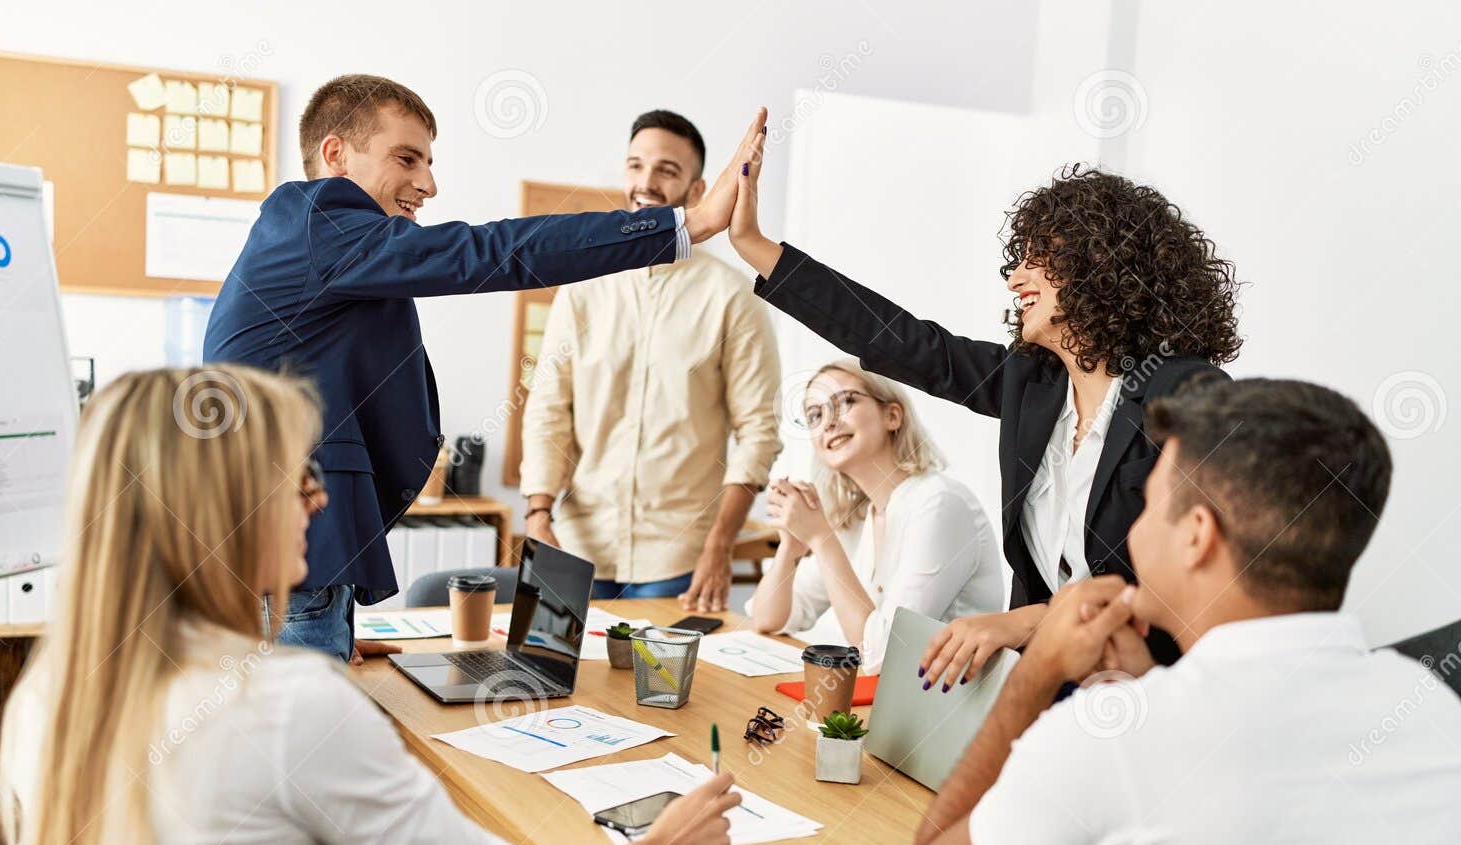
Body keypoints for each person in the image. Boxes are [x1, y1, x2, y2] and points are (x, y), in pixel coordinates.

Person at [0, 366, 741, 845]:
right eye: (298, 477)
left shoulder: (48, 699)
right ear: (221, 505)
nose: (318, 500)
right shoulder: (289, 705)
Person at [911, 376, 1461, 845]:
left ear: (1198, 535)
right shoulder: (1433, 706)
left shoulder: (1115, 736)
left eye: (1147, 504)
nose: (1132, 528)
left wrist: (1034, 673)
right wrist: (1148, 685)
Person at [205, 74, 765, 660]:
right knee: (296, 746)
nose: (428, 183)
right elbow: (491, 252)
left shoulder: (315, 237)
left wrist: (332, 633)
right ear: (336, 154)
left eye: (428, 162)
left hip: (301, 558)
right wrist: (689, 224)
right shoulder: (324, 225)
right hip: (290, 557)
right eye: (407, 158)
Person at [728, 136, 1241, 684]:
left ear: (1098, 264)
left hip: (1157, 687)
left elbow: (1204, 572)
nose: (1015, 278)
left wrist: (1024, 622)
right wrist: (752, 243)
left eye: (1038, 258)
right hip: (1050, 684)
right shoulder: (1032, 386)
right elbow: (902, 342)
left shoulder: (1182, 390)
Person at [519, 110, 781, 610]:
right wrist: (537, 514)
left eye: (666, 170)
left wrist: (720, 545)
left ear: (698, 190)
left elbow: (758, 431)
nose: (646, 182)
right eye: (636, 166)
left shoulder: (730, 298)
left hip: (680, 556)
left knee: (660, 690)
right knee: (560, 685)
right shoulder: (582, 288)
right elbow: (548, 409)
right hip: (575, 547)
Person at [747, 359, 1003, 672]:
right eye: (815, 414)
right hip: (891, 702)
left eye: (846, 402)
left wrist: (820, 537)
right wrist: (790, 544)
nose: (828, 422)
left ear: (892, 415)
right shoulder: (856, 519)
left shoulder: (939, 504)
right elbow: (768, 619)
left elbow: (880, 655)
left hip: (948, 708)